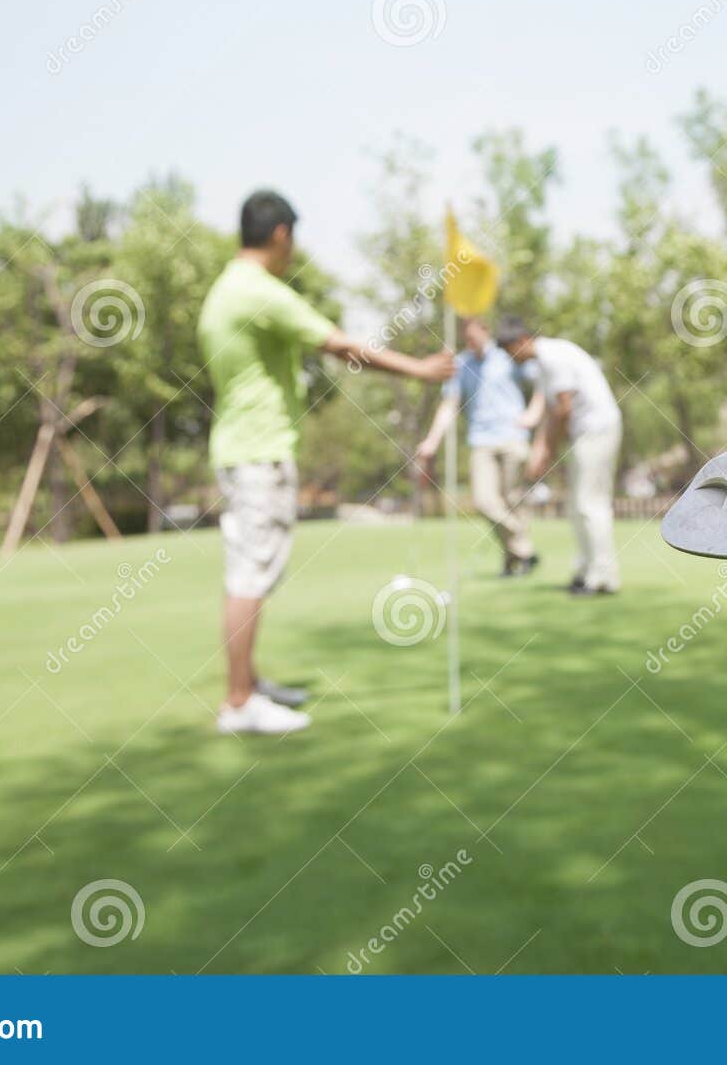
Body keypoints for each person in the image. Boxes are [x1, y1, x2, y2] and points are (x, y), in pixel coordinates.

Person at [199, 189, 455, 735]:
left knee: (247, 571)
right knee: (250, 575)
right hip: (259, 451)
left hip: (239, 447)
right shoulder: (259, 291)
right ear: (281, 234)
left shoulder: (224, 290)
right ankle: (239, 702)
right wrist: (419, 369)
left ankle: (248, 683)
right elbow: (340, 346)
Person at [496, 318, 623, 596]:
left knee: (590, 503)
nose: (510, 358)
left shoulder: (552, 358)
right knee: (577, 504)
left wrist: (548, 453)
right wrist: (541, 451)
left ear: (522, 341)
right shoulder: (542, 363)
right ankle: (585, 571)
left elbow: (563, 410)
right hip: (584, 433)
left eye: (509, 351)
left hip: (597, 429)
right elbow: (548, 410)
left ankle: (603, 576)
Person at [414, 316, 544, 576]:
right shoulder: (462, 364)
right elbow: (449, 404)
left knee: (513, 501)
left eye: (474, 336)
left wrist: (533, 414)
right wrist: (432, 440)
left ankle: (513, 562)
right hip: (481, 440)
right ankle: (524, 548)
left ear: (486, 331)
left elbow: (541, 383)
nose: (470, 342)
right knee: (485, 502)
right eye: (467, 338)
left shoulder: (507, 356)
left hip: (513, 436)